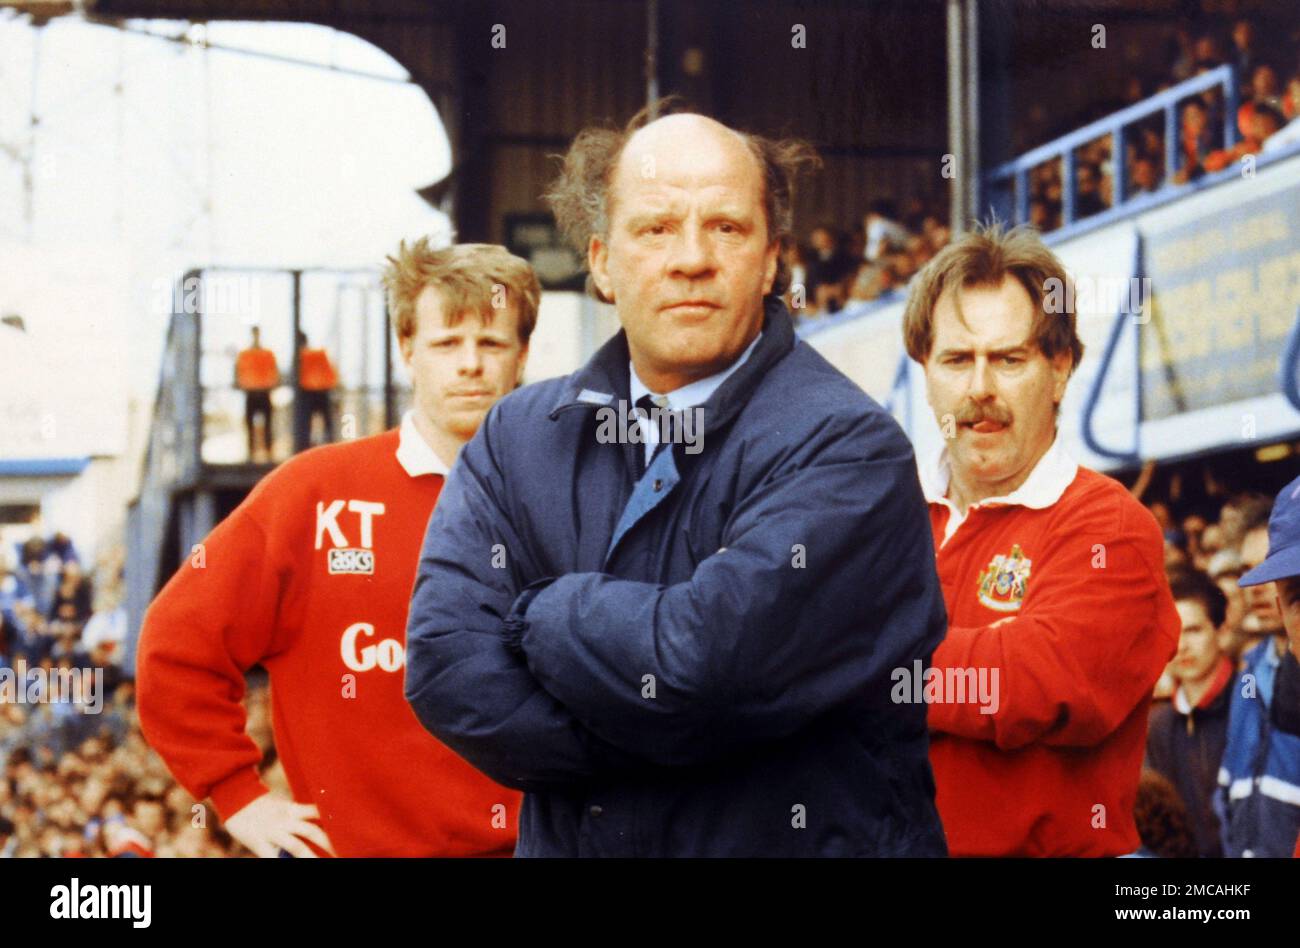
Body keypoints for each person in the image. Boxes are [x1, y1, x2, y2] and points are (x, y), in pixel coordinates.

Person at [404, 105, 949, 857]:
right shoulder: (516, 438)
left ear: (771, 261)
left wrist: (542, 614)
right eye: (655, 229)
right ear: (601, 262)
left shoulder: (851, 449)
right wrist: (680, 744)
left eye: (725, 227)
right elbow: (445, 671)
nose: (691, 258)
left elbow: (705, 669)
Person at [137, 241, 537, 858]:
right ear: (407, 350)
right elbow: (176, 642)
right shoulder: (313, 493)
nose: (469, 365)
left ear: (522, 355)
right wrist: (237, 794)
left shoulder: (563, 494)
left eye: (490, 344)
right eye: (446, 344)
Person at [903, 224, 1180, 856]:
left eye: (1008, 359)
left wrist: (859, 662)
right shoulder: (883, 517)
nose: (979, 389)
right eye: (956, 359)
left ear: (1059, 371)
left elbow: (1026, 682)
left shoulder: (1111, 527)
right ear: (925, 372)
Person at [1218, 475, 1300, 858]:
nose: (1258, 586)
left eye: (1272, 568)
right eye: (1251, 571)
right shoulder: (1248, 671)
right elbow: (1230, 784)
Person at [1145, 569, 1234, 857]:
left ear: (1221, 632)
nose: (1181, 646)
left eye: (1194, 630)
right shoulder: (1158, 724)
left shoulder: (1249, 705)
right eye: (1173, 633)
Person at [234, 326, 280, 462]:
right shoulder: (244, 354)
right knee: (249, 424)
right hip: (251, 393)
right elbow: (238, 372)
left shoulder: (267, 354)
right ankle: (250, 453)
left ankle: (269, 452)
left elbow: (274, 371)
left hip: (264, 392)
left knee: (268, 424)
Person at [295, 331, 339, 448]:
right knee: (327, 424)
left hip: (307, 393)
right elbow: (331, 375)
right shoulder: (320, 354)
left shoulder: (301, 357)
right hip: (322, 391)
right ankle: (330, 445)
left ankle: (303, 448)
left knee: (304, 425)